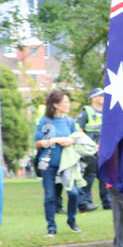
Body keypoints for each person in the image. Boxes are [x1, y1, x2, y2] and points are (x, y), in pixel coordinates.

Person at [33, 90, 81, 236]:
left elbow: (77, 137)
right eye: (65, 102)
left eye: (68, 102)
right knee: (50, 197)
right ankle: (51, 227)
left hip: (67, 165)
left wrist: (70, 140)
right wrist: (54, 140)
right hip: (48, 165)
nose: (68, 105)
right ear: (56, 104)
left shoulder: (70, 121)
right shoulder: (45, 121)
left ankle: (71, 220)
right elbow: (37, 143)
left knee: (73, 194)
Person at [76, 89, 110, 211]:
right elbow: (78, 130)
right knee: (89, 176)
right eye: (101, 96)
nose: (104, 97)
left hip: (105, 149)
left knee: (105, 176)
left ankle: (108, 201)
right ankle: (85, 203)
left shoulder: (108, 112)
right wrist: (90, 144)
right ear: (94, 98)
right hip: (90, 150)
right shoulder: (86, 112)